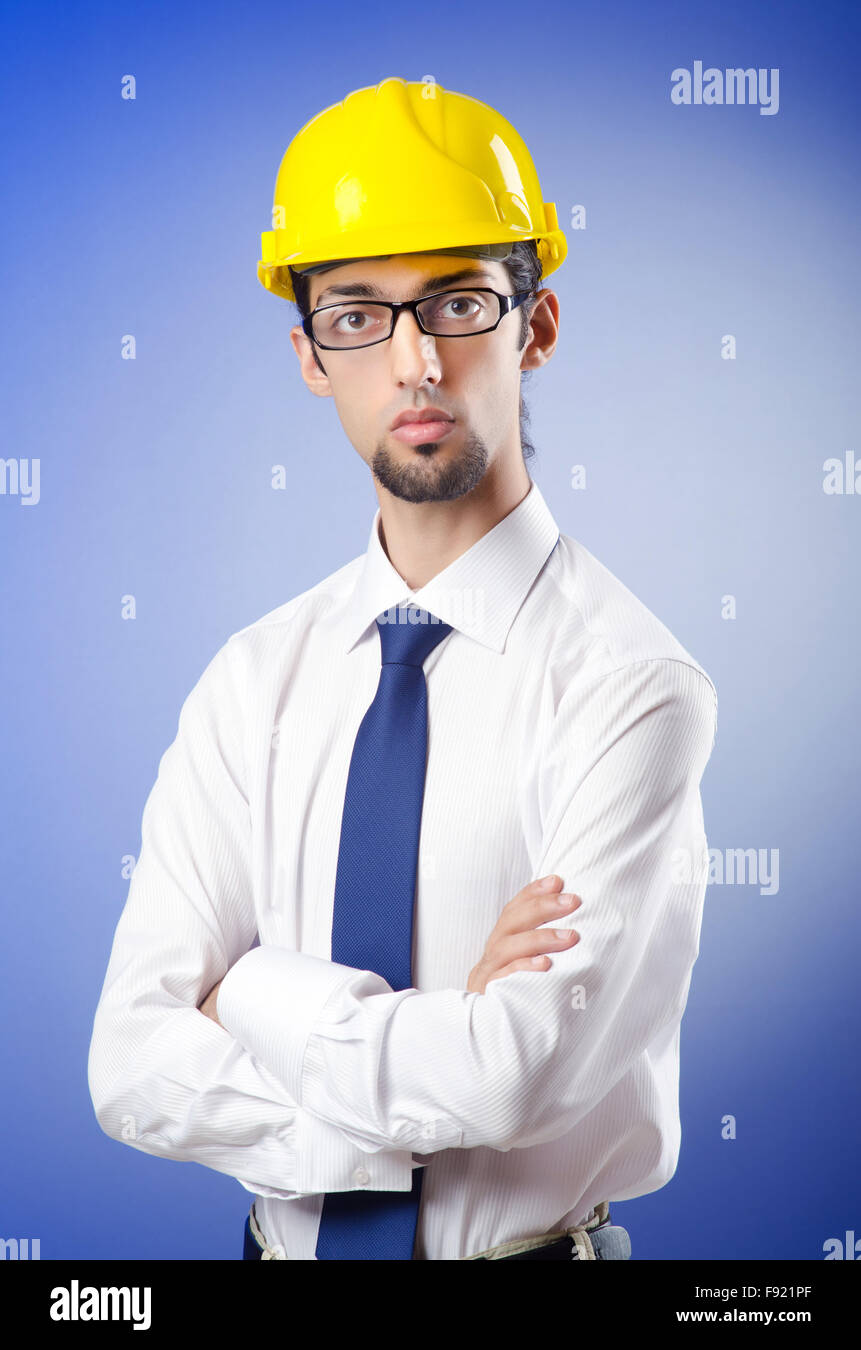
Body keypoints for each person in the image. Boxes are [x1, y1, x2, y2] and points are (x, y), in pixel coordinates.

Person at [87, 77, 717, 1261]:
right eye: (359, 315)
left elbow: (516, 1075)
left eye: (459, 303)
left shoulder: (634, 686)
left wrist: (254, 997)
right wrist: (436, 1044)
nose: (415, 361)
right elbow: (129, 1064)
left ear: (537, 327)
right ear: (311, 356)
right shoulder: (250, 682)